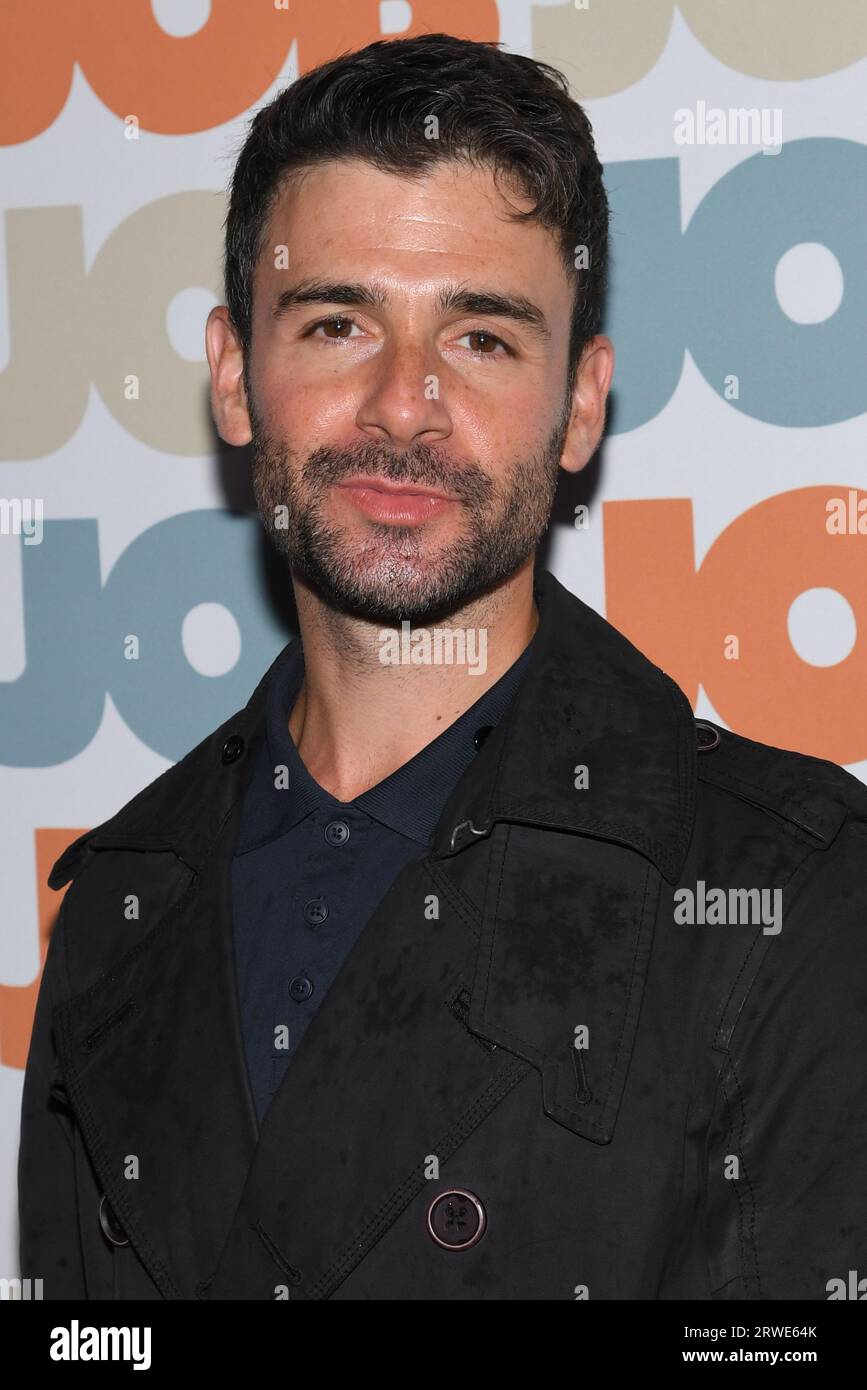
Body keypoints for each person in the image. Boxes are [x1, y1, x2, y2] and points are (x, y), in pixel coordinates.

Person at [19, 32, 867, 1301]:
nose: (402, 403)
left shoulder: (795, 892)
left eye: (480, 337)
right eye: (337, 321)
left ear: (580, 408)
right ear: (236, 376)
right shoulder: (120, 908)